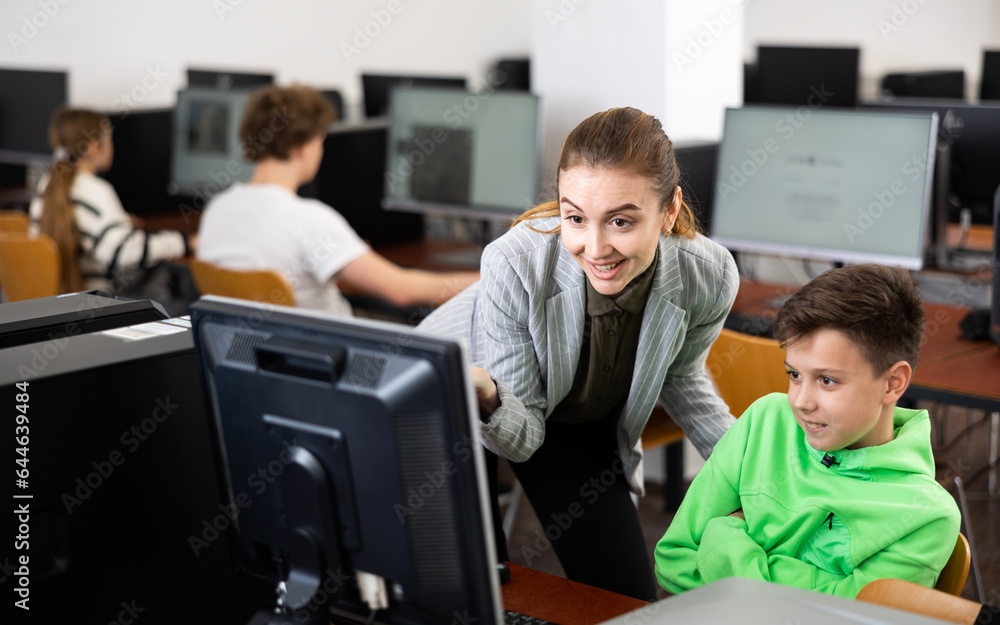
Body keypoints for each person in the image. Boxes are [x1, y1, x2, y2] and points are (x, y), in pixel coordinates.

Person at [417, 107, 739, 601]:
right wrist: (485, 392)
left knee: (626, 602)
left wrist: (754, 467)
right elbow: (519, 434)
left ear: (669, 210)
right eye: (575, 218)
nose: (595, 247)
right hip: (466, 400)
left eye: (620, 221)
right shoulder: (514, 261)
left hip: (572, 419)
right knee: (477, 589)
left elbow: (681, 376)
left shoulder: (708, 275)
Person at [654, 263, 961, 598]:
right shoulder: (764, 420)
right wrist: (813, 583)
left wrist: (725, 534)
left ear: (893, 383)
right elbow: (673, 559)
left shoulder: (926, 517)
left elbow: (839, 620)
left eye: (827, 380)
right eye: (794, 375)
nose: (799, 402)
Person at [196, 84, 478, 315]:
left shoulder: (217, 209)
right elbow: (402, 291)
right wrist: (487, 279)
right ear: (301, 148)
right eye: (320, 140)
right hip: (333, 362)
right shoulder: (310, 220)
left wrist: (346, 253)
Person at [29, 108, 193, 294]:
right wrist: (183, 241)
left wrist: (120, 224)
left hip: (56, 302)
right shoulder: (96, 190)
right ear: (93, 147)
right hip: (97, 304)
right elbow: (126, 252)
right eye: (109, 140)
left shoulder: (46, 184)